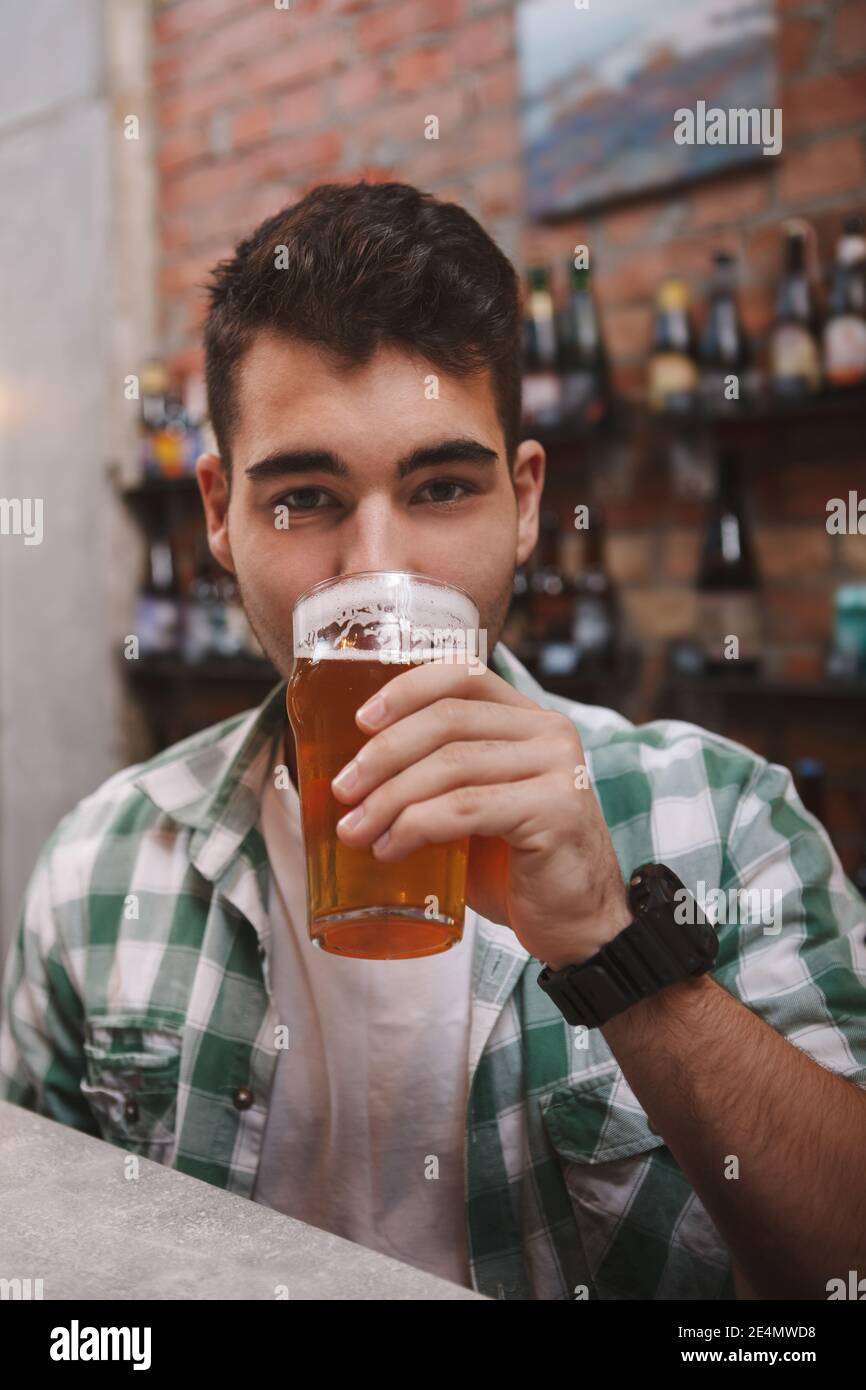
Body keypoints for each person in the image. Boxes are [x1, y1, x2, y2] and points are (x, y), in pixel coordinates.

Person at [2, 182, 865, 1302]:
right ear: (217, 513)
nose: (376, 577)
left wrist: (620, 954)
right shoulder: (98, 866)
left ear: (522, 503)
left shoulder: (724, 817)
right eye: (305, 496)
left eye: (440, 486)